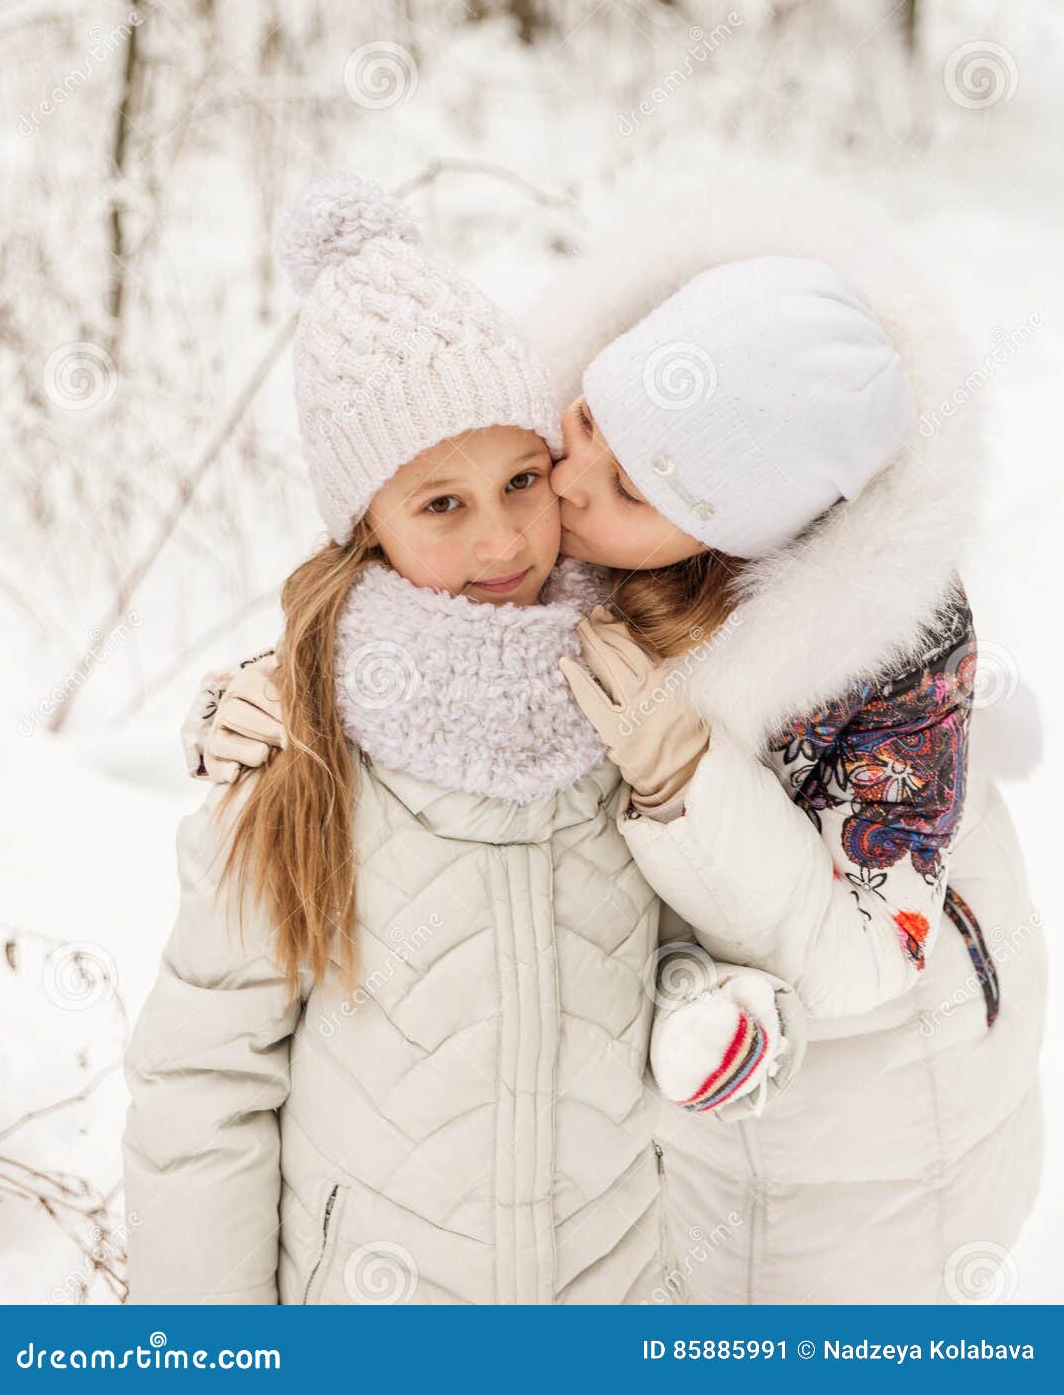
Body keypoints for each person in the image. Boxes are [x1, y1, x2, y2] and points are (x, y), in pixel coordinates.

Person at [124, 176, 803, 1307]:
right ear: (367, 526)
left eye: (521, 481)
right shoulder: (296, 748)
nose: (500, 541)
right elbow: (203, 1085)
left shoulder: (628, 689)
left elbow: (692, 948)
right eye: (440, 504)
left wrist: (709, 1007)